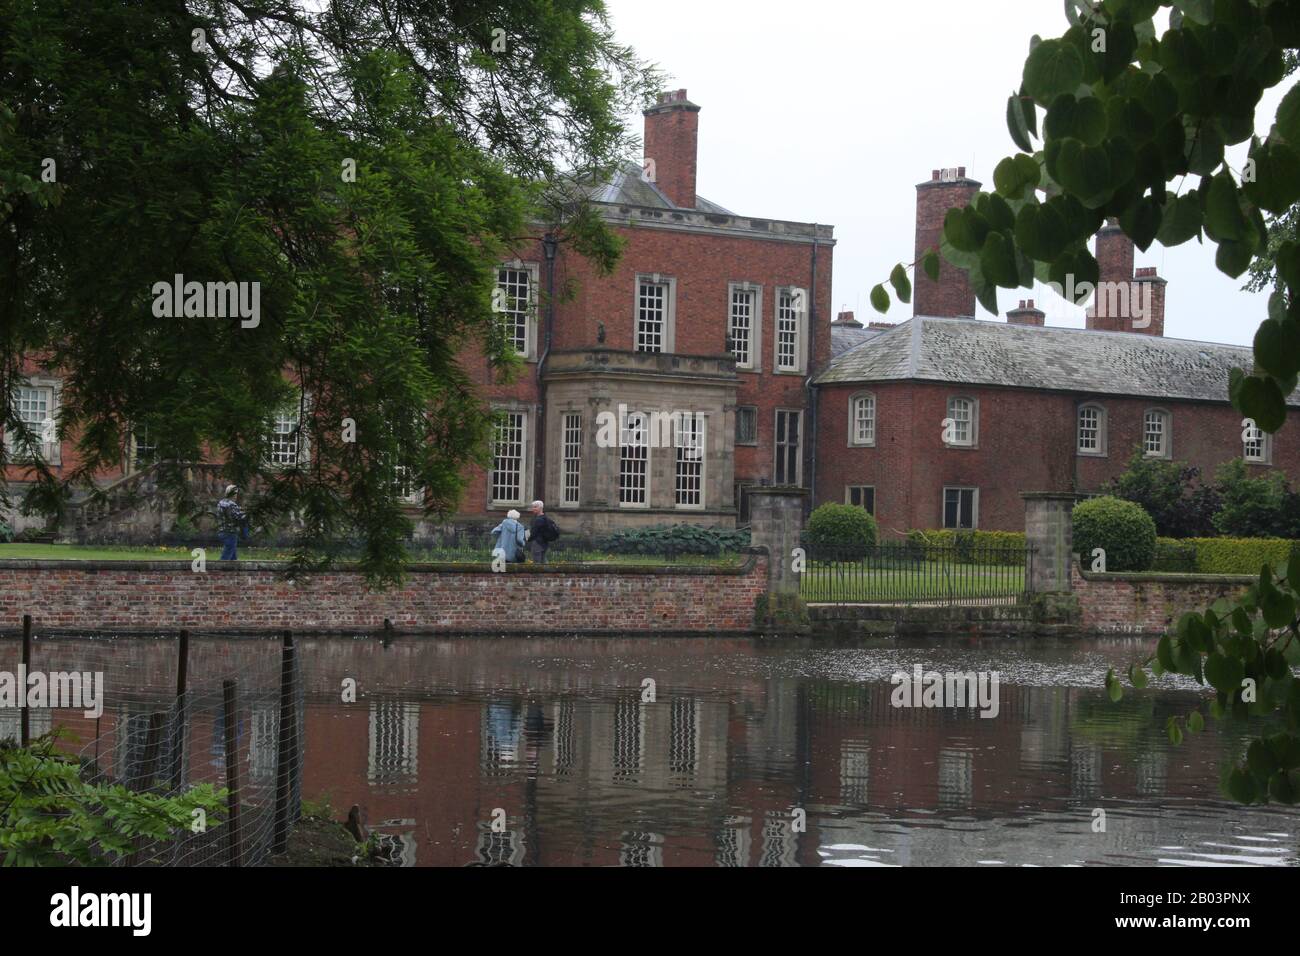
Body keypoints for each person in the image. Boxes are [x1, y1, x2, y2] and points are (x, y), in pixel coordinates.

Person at [216, 485, 247, 561]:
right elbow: (239, 518)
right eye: (236, 494)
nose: (236, 496)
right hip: (230, 532)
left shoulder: (220, 503)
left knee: (233, 557)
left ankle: (235, 570)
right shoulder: (232, 504)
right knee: (225, 558)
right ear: (233, 494)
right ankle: (219, 571)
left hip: (221, 531)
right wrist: (246, 513)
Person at [527, 500, 558, 565]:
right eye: (533, 507)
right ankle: (547, 574)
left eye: (535, 507)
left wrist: (527, 539)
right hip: (544, 543)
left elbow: (534, 533)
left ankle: (538, 575)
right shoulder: (546, 518)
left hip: (537, 543)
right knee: (543, 561)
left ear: (541, 508)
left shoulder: (538, 519)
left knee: (537, 563)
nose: (533, 509)